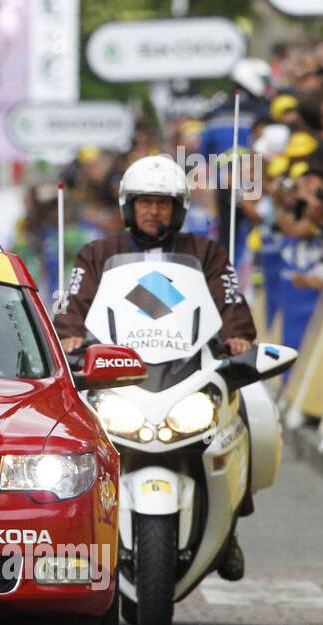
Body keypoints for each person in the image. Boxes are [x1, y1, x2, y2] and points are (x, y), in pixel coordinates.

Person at [54, 153, 257, 580]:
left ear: (179, 209)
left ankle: (232, 520)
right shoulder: (97, 253)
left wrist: (238, 336)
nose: (153, 210)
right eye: (145, 201)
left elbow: (231, 300)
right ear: (128, 206)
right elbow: (72, 304)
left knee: (250, 407)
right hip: (120, 373)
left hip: (187, 370)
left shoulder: (207, 253)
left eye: (163, 203)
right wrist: (70, 333)